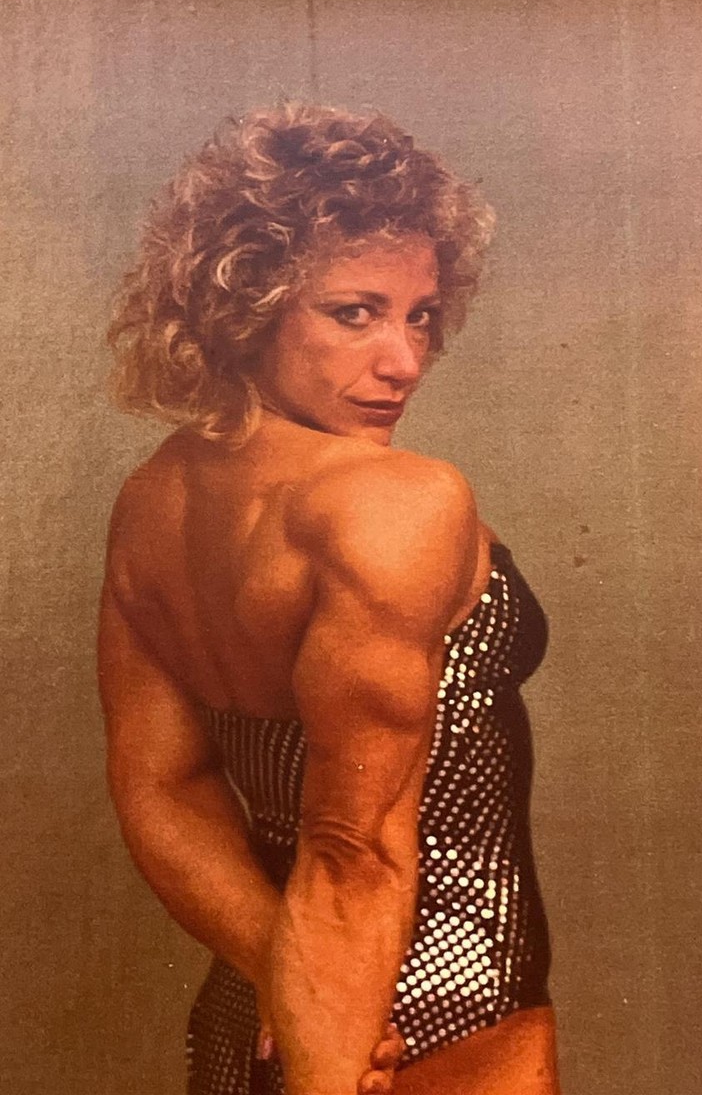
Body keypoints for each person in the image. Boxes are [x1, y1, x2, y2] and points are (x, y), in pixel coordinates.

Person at [98, 103, 561, 1095]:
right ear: (247, 304)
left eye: (420, 314)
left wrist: (278, 967)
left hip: (258, 999)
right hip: (422, 1008)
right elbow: (354, 855)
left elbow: (164, 791)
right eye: (355, 313)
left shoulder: (153, 499)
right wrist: (332, 1045)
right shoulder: (396, 501)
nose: (404, 361)